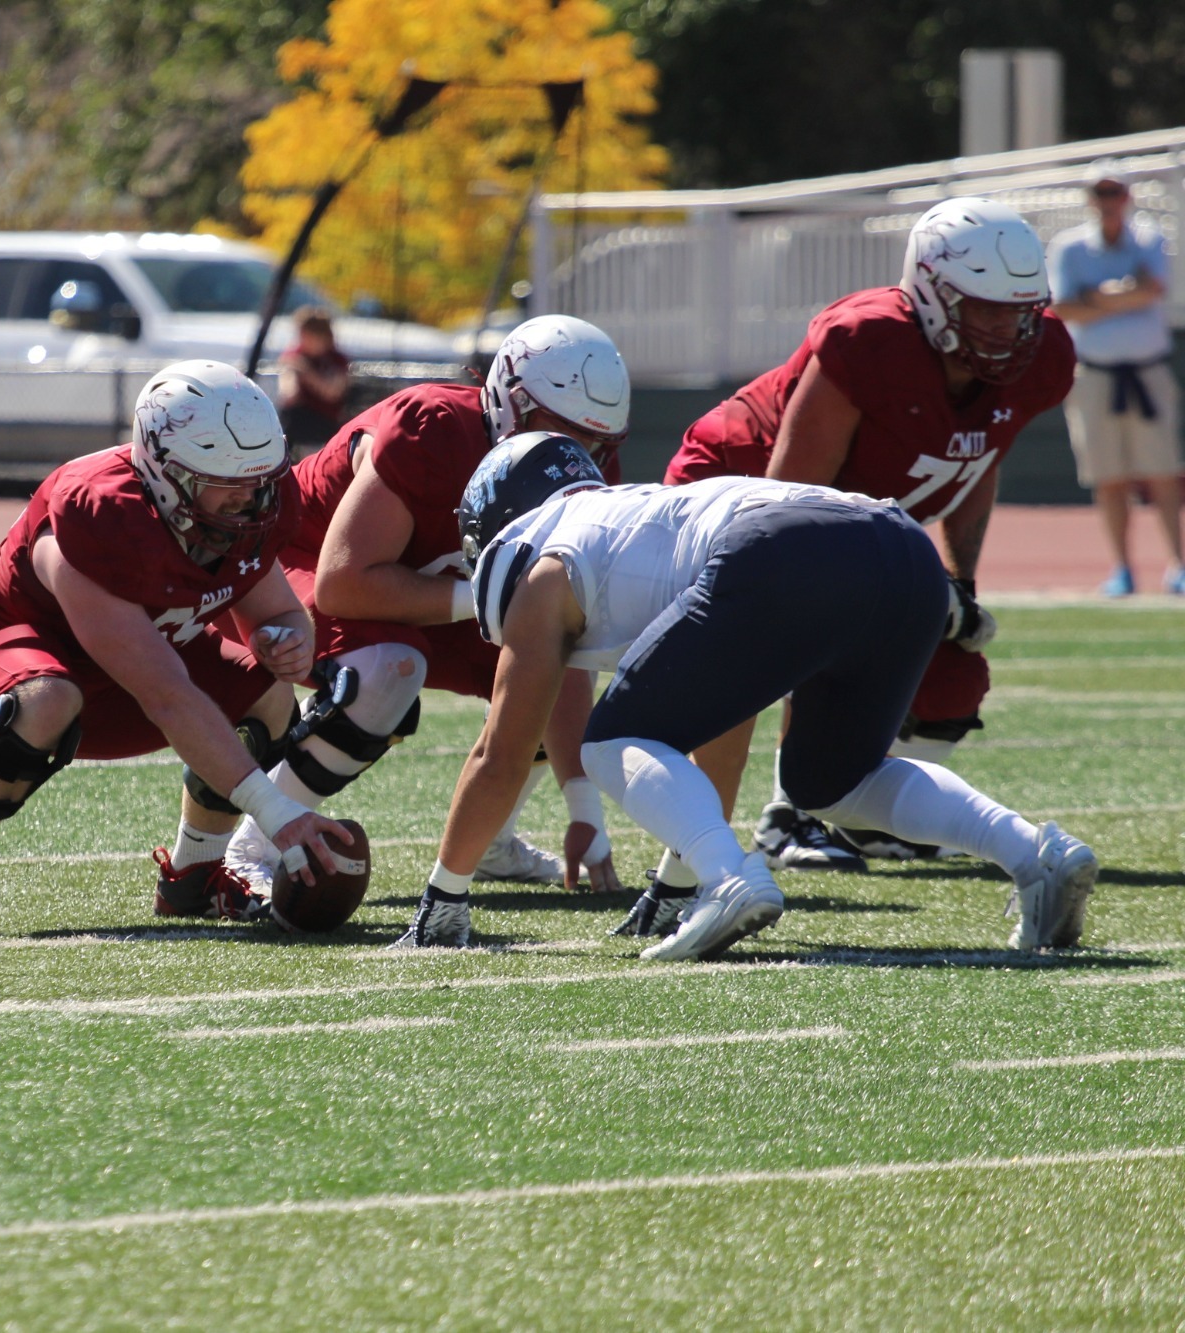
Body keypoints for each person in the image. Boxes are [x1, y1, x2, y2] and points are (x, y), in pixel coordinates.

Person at [407, 431, 1098, 960]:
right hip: (901, 548)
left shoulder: (543, 558)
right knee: (833, 781)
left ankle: (730, 880)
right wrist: (677, 881)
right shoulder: (635, 521)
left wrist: (443, 897)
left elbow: (500, 756)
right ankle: (1034, 852)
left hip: (778, 548)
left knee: (610, 739)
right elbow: (723, 723)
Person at [665, 196, 1074, 875]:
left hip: (850, 524)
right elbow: (791, 516)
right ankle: (782, 816)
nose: (1008, 328)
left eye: (1020, 310)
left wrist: (960, 583)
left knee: (951, 672)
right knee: (796, 633)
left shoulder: (1044, 356)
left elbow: (978, 457)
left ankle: (865, 822)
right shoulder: (869, 342)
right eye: (987, 308)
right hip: (740, 492)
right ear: (934, 293)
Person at [0, 360, 347, 937]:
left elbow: (278, 611)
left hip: (108, 682)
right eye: (228, 486)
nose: (251, 502)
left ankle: (194, 879)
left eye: (257, 483)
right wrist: (280, 815)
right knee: (47, 698)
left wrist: (286, 642)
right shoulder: (98, 514)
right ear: (165, 473)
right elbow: (166, 694)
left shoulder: (251, 501)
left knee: (269, 696)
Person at [225, 315, 632, 901]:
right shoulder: (433, 429)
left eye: (592, 441)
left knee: (543, 653)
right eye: (555, 427)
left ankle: (492, 840)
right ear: (509, 400)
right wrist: (487, 597)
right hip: (300, 565)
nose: (571, 452)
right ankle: (255, 844)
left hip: (422, 586)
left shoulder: (581, 465)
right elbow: (345, 584)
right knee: (390, 668)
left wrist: (583, 809)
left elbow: (563, 648)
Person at [1046, 161, 1182, 597]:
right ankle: (1122, 568)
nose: (1108, 202)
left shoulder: (1149, 239)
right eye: (1100, 194)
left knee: (1163, 471)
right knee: (1109, 478)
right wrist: (1125, 293)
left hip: (1147, 370)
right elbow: (1064, 307)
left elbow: (1152, 291)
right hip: (1094, 375)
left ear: (1127, 198)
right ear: (1090, 200)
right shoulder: (1068, 247)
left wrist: (1095, 297)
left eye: (1115, 193)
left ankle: (1177, 564)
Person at [276, 308, 352, 452]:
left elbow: (332, 393)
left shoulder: (336, 359)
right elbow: (288, 394)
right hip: (298, 422)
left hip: (326, 421)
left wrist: (307, 373)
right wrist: (292, 373)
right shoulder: (295, 356)